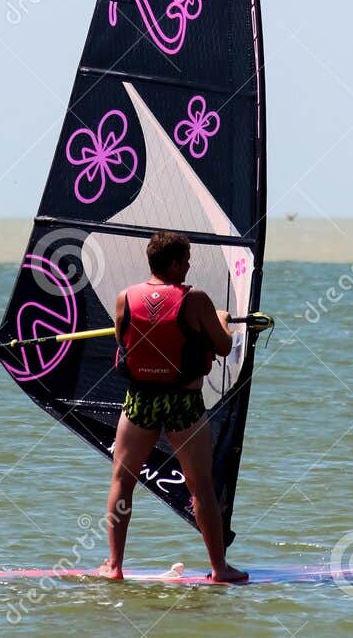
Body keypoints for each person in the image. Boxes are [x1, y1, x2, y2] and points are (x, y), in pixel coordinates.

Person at [97, 230, 248, 584]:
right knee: (202, 488)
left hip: (140, 399)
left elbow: (123, 340)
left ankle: (114, 566)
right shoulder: (195, 300)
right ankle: (220, 569)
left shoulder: (125, 298)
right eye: (187, 259)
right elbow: (224, 347)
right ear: (176, 262)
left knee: (122, 481)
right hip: (182, 401)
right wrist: (223, 320)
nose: (190, 265)